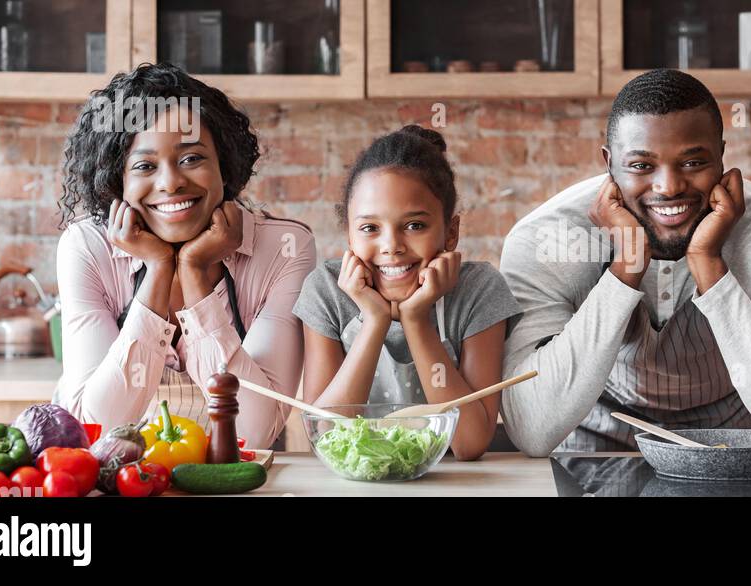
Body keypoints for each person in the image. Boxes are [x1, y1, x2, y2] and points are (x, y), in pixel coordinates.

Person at [499, 69, 751, 455]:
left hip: (735, 457)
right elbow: (531, 428)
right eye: (642, 166)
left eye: (693, 163)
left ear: (721, 156)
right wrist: (625, 268)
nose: (669, 187)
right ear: (609, 165)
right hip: (593, 454)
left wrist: (708, 264)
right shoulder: (547, 239)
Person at [54, 63, 316, 448]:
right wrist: (160, 270)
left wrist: (193, 274)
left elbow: (253, 433)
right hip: (121, 482)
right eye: (144, 166)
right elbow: (96, 431)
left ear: (224, 167)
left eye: (192, 158)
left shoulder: (283, 249)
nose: (171, 182)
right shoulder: (88, 249)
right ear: (117, 181)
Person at [292, 126, 522, 461]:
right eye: (370, 228)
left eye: (414, 226)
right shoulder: (326, 290)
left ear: (451, 232)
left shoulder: (479, 291)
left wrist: (415, 319)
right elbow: (325, 438)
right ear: (349, 237)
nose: (392, 247)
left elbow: (470, 443)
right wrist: (374, 321)